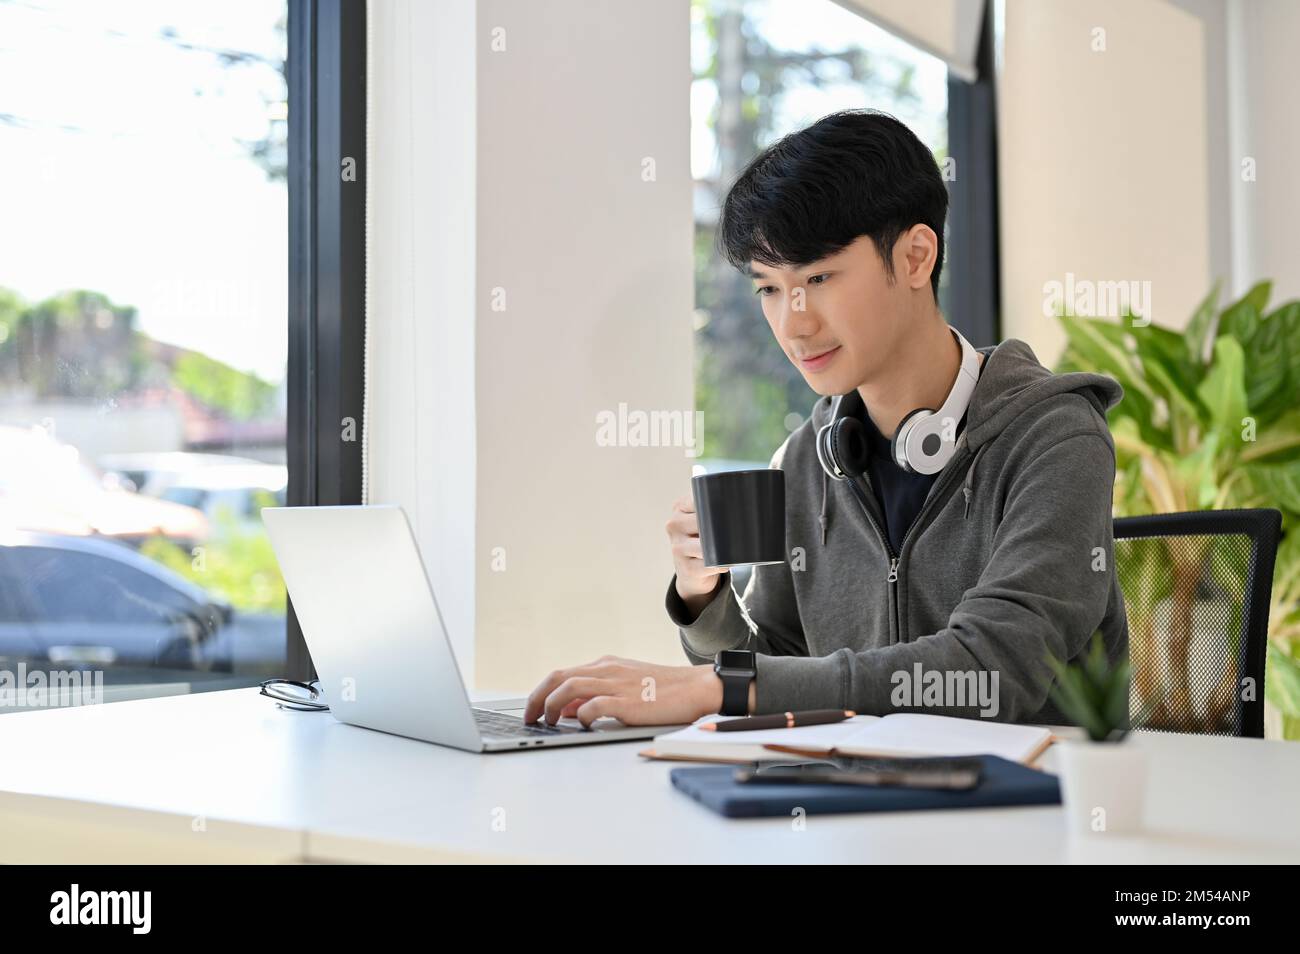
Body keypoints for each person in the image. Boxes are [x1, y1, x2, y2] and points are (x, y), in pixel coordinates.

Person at [523, 109, 1128, 729]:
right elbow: (776, 667)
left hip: (1030, 807)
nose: (794, 323)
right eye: (769, 289)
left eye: (818, 277)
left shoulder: (1056, 438)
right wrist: (705, 599)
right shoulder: (811, 457)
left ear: (917, 257)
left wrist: (717, 688)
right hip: (860, 799)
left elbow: (994, 669)